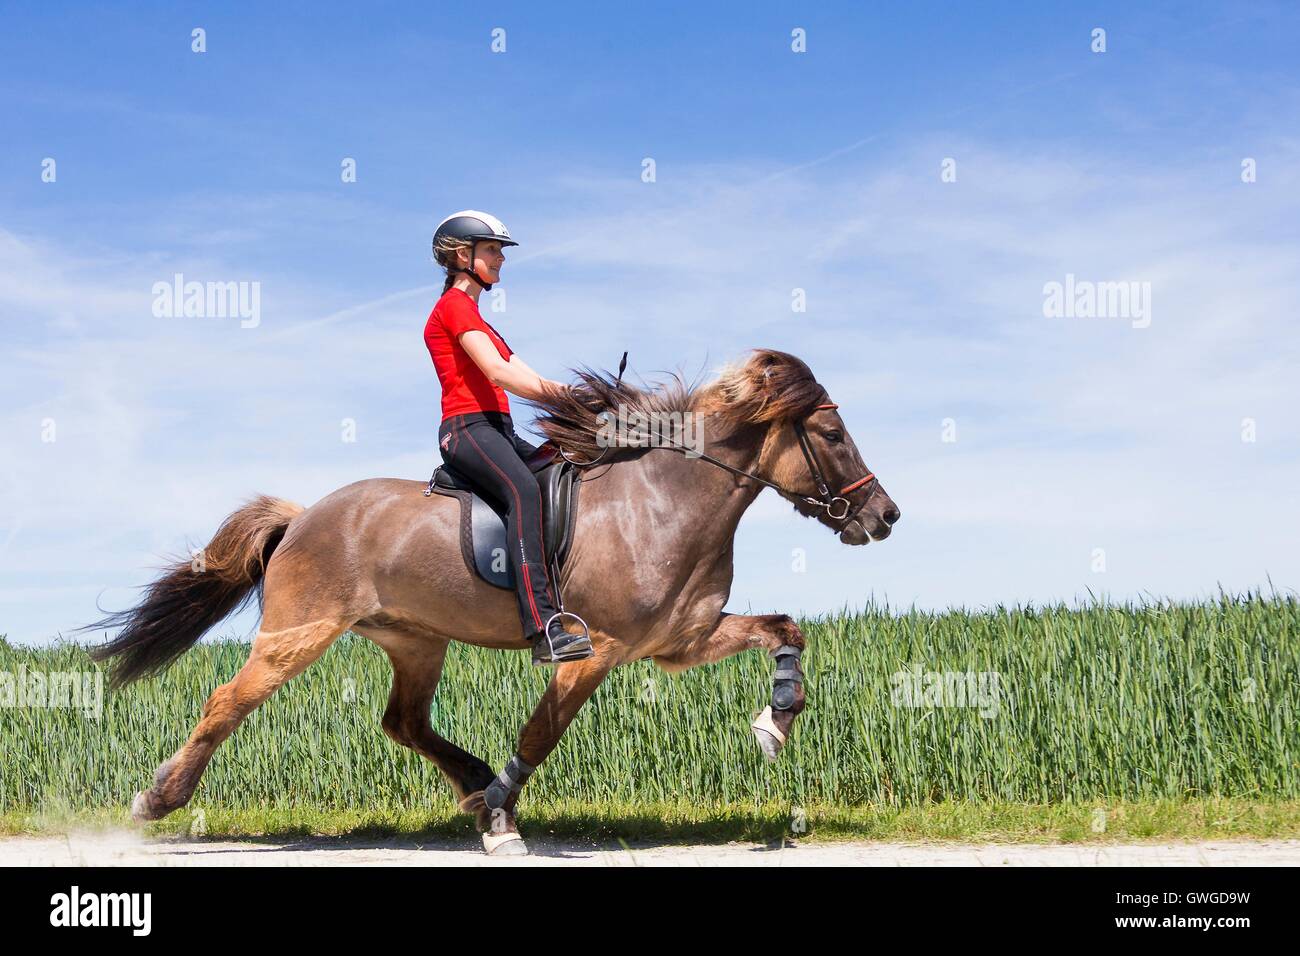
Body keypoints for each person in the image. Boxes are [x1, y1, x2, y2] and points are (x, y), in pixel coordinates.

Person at [424, 210, 593, 665]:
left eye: (501, 251)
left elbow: (522, 371)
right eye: (493, 250)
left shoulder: (479, 318)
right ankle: (543, 627)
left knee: (563, 467)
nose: (501, 259)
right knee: (522, 489)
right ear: (463, 254)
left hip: (499, 429)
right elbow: (497, 372)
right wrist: (569, 398)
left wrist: (576, 397)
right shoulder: (454, 308)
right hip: (466, 430)